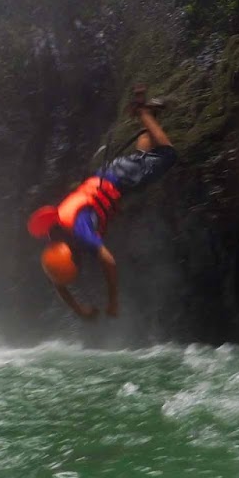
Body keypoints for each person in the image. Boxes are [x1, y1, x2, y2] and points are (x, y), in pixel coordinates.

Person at [27, 89, 177, 319]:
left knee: (168, 155)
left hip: (117, 178)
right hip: (108, 177)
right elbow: (58, 282)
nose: (80, 263)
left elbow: (109, 261)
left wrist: (113, 301)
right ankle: (149, 115)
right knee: (140, 158)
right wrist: (79, 310)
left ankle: (143, 112)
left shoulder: (79, 231)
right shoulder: (55, 239)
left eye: (76, 263)